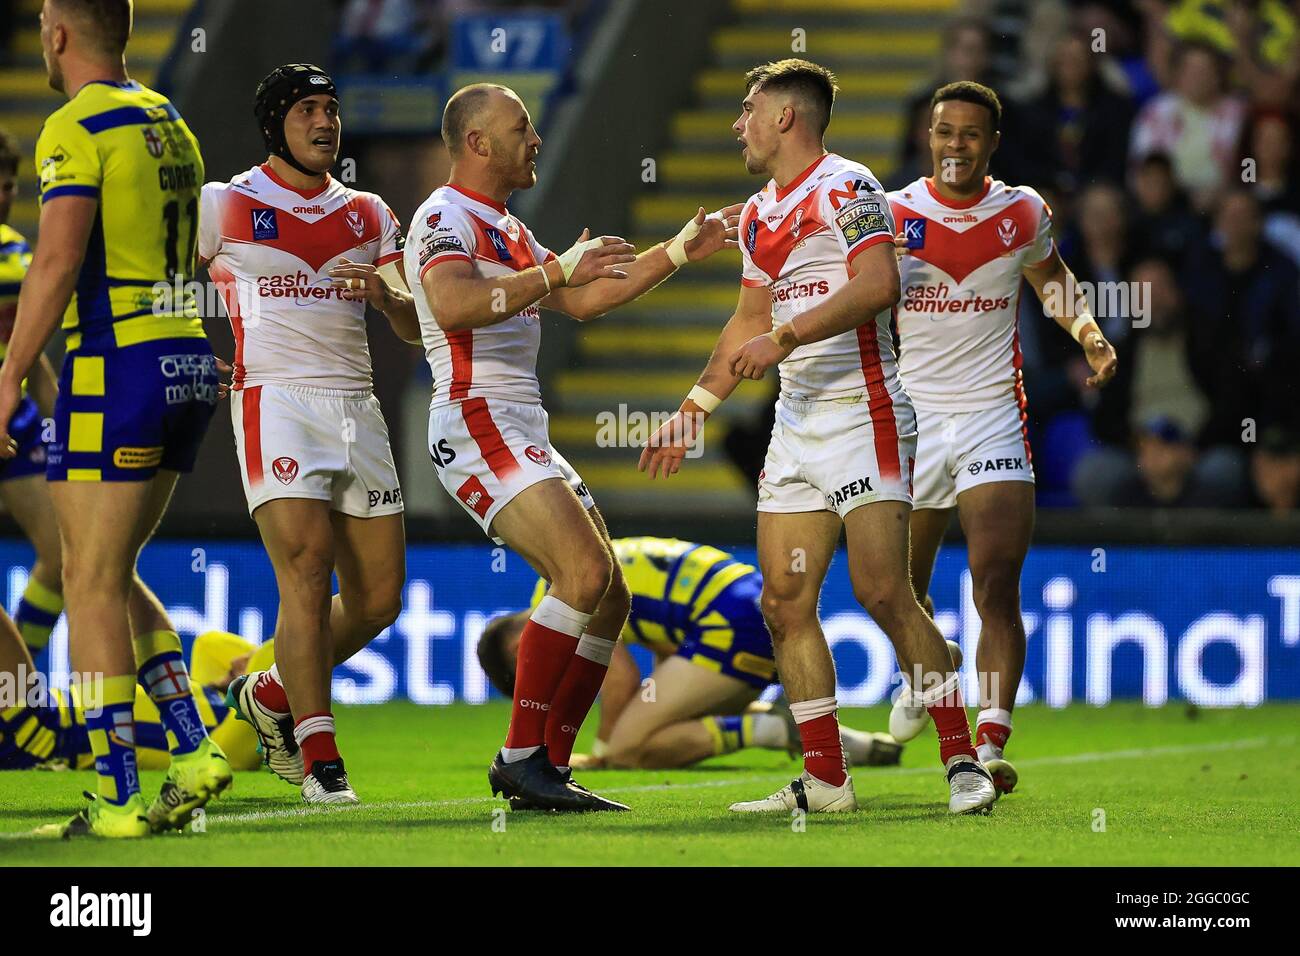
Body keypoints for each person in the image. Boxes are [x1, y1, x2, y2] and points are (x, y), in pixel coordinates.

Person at [642, 58, 996, 816]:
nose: (738, 124)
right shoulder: (761, 213)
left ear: (784, 118)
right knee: (783, 601)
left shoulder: (852, 186)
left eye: (747, 109)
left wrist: (787, 335)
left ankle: (962, 761)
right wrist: (693, 409)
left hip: (863, 411)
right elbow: (745, 323)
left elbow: (878, 285)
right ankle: (827, 780)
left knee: (882, 592)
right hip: (795, 424)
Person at [411, 82, 740, 812]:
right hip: (476, 417)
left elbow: (589, 298)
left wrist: (683, 249)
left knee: (610, 597)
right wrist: (556, 272)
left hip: (519, 424)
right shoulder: (443, 216)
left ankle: (549, 766)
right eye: (520, 127)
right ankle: (520, 755)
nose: (535, 138)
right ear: (478, 143)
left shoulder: (510, 229)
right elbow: (453, 305)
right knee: (584, 573)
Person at [0, 0, 229, 838]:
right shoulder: (170, 120)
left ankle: (117, 796)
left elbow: (57, 259)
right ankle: (197, 748)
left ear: (59, 33)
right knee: (112, 568)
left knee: (88, 579)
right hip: (185, 359)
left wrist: (12, 374)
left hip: (116, 364)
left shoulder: (73, 125)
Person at [885, 81, 1119, 794]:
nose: (956, 144)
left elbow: (1051, 279)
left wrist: (1087, 331)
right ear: (930, 136)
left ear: (991, 142)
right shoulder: (894, 215)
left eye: (969, 134)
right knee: (901, 588)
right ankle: (925, 667)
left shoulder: (1022, 211)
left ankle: (989, 739)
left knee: (995, 582)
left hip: (992, 415)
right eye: (944, 131)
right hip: (913, 421)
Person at [200, 64, 420, 806]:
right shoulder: (225, 203)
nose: (325, 122)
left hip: (357, 407)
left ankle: (268, 689)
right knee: (306, 567)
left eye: (331, 108)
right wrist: (197, 354)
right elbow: (165, 284)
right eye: (307, 111)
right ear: (275, 124)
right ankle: (321, 759)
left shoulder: (368, 211)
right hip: (275, 398)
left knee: (380, 599)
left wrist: (387, 296)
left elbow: (418, 329)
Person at [478, 536, 913, 770]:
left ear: (521, 650)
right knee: (666, 721)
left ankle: (774, 731)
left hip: (726, 620)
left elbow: (621, 681)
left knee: (629, 749)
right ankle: (825, 736)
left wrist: (604, 751)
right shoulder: (570, 575)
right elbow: (669, 644)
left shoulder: (553, 601)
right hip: (741, 605)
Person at [1, 614, 264, 774]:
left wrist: (265, 666)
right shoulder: (219, 700)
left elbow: (275, 657)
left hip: (47, 733)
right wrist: (254, 668)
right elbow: (210, 644)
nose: (238, 661)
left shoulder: (236, 734)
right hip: (49, 714)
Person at [0, 128, 65, 667]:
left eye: (8, 185)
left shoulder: (16, 257)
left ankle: (12, 687)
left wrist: (64, 421)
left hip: (15, 423)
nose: (3, 195)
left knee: (64, 555)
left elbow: (30, 354)